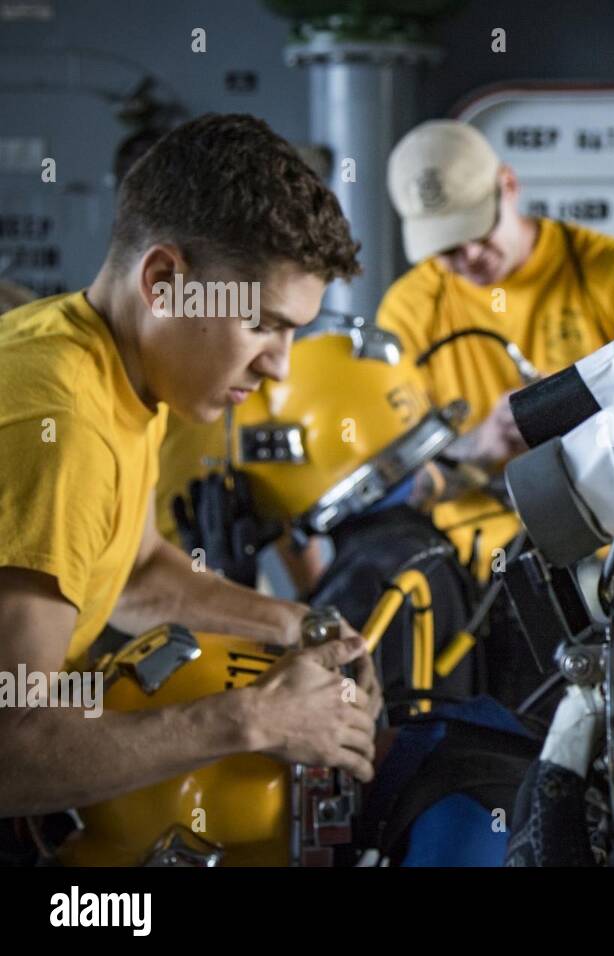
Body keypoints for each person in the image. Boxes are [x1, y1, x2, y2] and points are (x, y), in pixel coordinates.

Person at [0, 113, 384, 817]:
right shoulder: (63, 426)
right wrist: (257, 719)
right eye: (262, 323)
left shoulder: (102, 359)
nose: (279, 364)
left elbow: (136, 572)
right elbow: (9, 751)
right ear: (165, 279)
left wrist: (302, 625)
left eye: (295, 331)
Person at [378, 120, 614, 578]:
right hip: (480, 565)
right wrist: (483, 447)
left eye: (480, 232)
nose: (470, 258)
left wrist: (584, 421)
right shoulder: (408, 311)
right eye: (446, 250)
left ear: (508, 185)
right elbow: (396, 482)